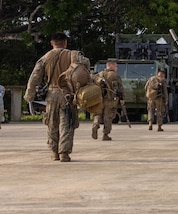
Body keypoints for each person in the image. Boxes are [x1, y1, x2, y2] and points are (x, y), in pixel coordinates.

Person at [24, 32, 88, 162]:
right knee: (67, 123)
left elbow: (34, 77)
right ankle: (64, 153)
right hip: (68, 94)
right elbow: (85, 70)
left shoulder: (45, 57)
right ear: (65, 42)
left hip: (51, 94)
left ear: (52, 43)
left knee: (51, 123)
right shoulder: (74, 55)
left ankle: (54, 152)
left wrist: (29, 95)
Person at [91, 59, 125, 141]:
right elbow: (120, 88)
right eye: (116, 66)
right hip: (110, 100)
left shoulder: (99, 75)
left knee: (97, 114)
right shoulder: (115, 76)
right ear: (111, 66)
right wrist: (122, 98)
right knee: (108, 117)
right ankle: (105, 134)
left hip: (99, 99)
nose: (117, 68)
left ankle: (95, 124)